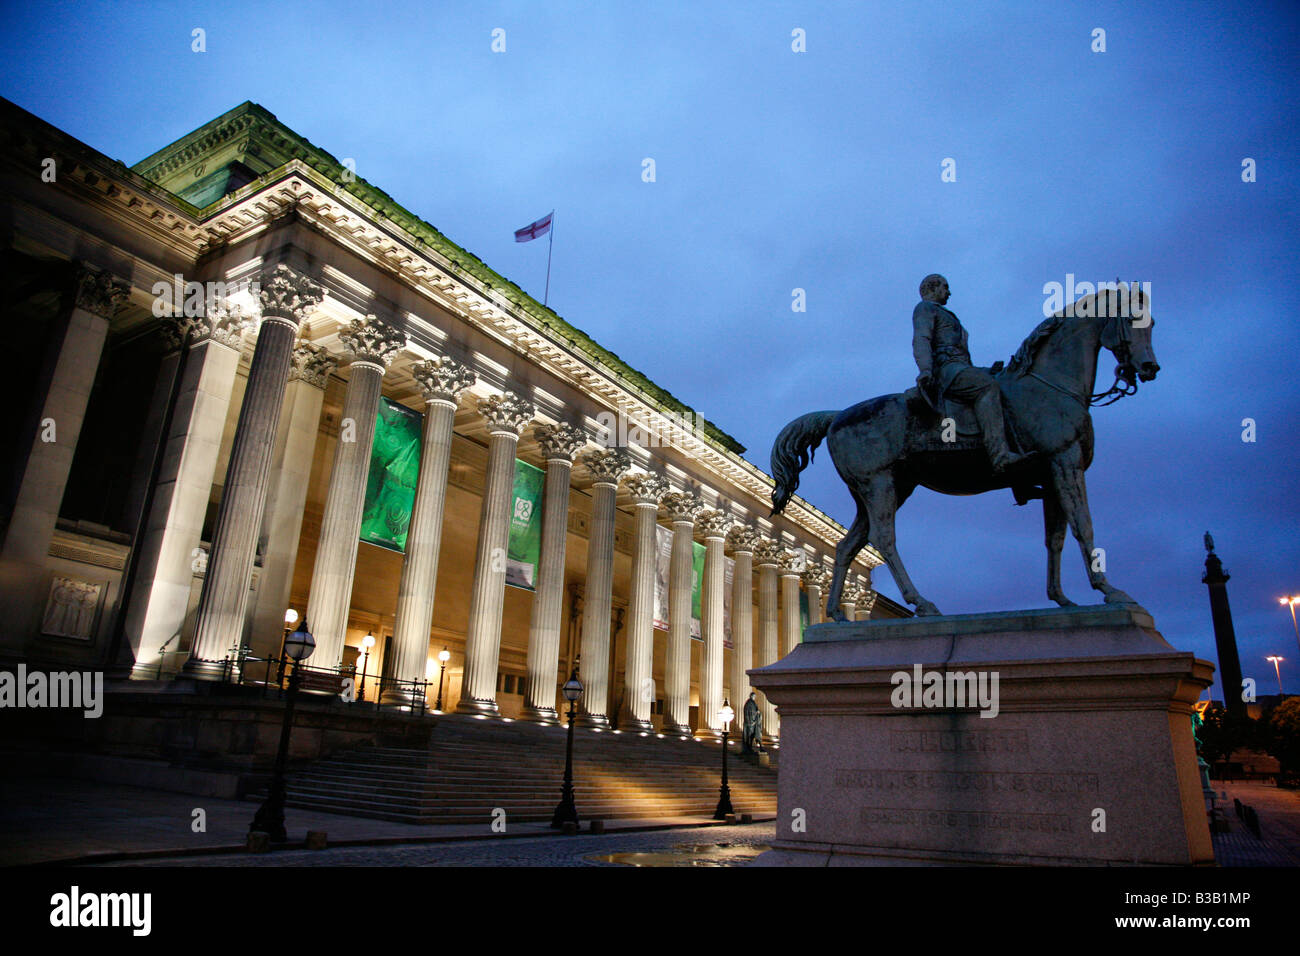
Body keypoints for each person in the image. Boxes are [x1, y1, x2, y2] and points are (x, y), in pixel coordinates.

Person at [912, 274, 1026, 473]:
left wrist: (987, 370)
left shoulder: (945, 313)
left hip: (960, 368)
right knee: (987, 386)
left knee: (1002, 383)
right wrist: (926, 370)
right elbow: (921, 339)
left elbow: (964, 360)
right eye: (945, 287)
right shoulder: (925, 308)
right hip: (947, 371)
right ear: (932, 287)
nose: (949, 292)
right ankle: (1000, 456)